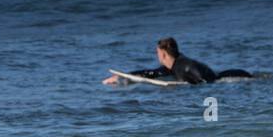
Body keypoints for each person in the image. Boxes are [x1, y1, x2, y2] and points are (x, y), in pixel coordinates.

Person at [103, 38, 251, 85]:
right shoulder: (175, 64)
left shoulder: (184, 66)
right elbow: (150, 73)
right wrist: (123, 76)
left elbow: (205, 82)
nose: (157, 57)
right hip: (224, 75)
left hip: (220, 80)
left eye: (158, 53)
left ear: (163, 54)